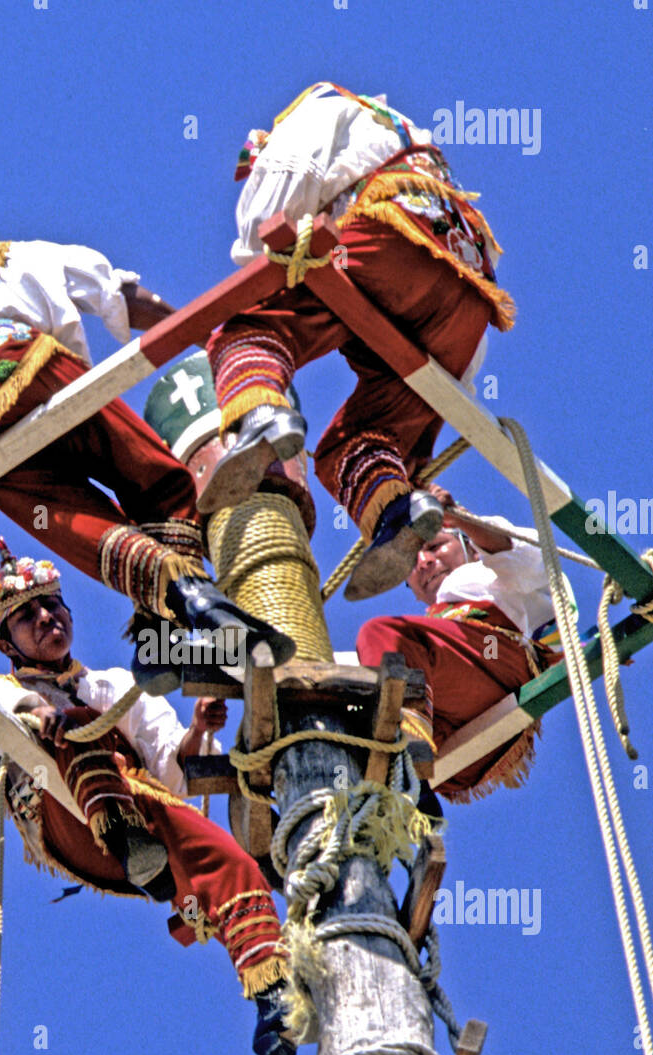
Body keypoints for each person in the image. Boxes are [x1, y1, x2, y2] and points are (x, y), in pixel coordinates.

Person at [0, 237, 293, 689]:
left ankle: (167, 635)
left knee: (79, 522)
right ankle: (182, 619)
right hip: (20, 368)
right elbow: (115, 295)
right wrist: (207, 339)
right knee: (157, 481)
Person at [0, 545, 297, 1055]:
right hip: (73, 820)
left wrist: (198, 729)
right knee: (78, 722)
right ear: (5, 642)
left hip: (142, 809)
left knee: (232, 864)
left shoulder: (115, 685)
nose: (46, 618)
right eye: (27, 616)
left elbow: (172, 768)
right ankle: (126, 840)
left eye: (53, 605)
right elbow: (9, 711)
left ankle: (273, 999)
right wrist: (47, 711)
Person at [201, 81, 515, 600]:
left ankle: (261, 419)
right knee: (362, 443)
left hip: (387, 249)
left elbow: (270, 217)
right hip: (468, 302)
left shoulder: (320, 111)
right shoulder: (410, 140)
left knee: (249, 330)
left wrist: (259, 262)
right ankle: (399, 512)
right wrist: (449, 390)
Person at [353, 486, 572, 802]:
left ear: (468, 547)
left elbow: (517, 554)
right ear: (411, 589)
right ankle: (406, 783)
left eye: (436, 546)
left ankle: (401, 745)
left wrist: (457, 517)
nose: (425, 562)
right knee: (371, 667)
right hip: (458, 752)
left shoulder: (486, 570)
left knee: (382, 635)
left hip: (495, 660)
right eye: (411, 562)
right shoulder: (426, 633)